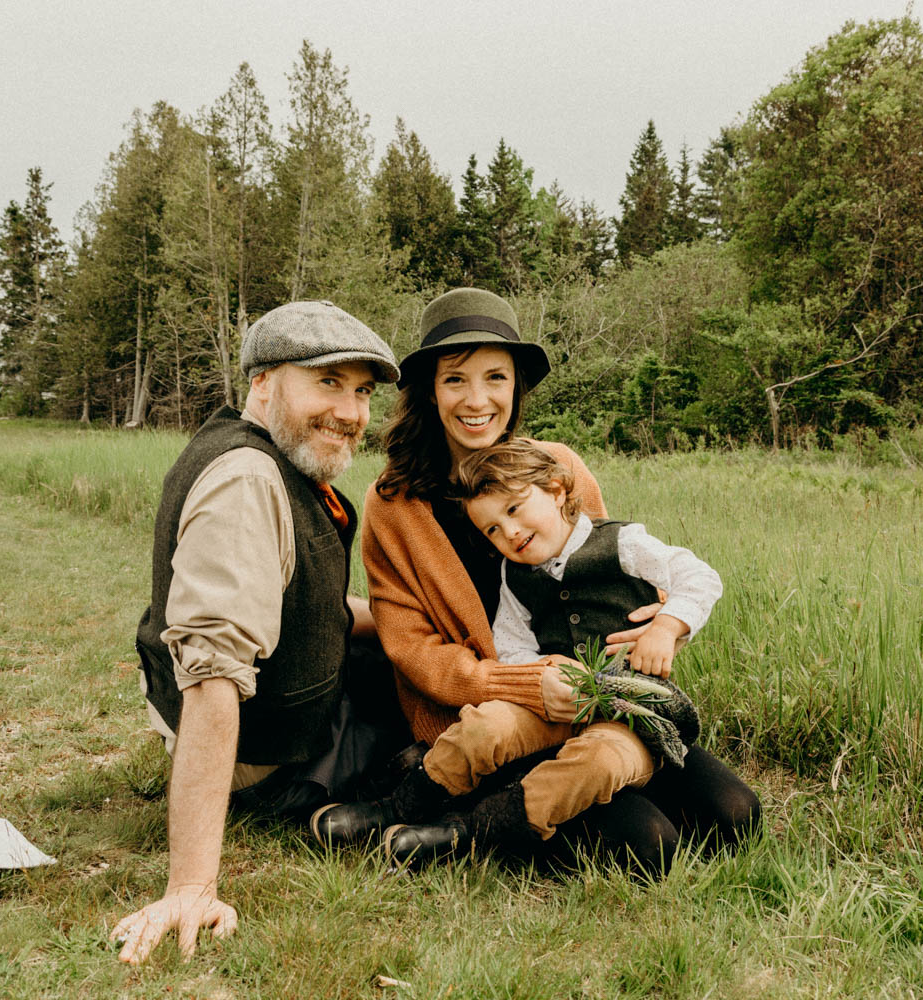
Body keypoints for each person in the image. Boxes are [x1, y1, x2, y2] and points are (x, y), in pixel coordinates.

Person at [340, 287, 760, 873]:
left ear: (516, 386)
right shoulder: (395, 503)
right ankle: (456, 821)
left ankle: (547, 792)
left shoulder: (555, 467)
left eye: (496, 377)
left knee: (734, 815)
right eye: (455, 379)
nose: (477, 399)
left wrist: (666, 622)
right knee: (649, 844)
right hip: (493, 715)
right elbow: (409, 648)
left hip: (598, 698)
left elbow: (612, 572)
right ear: (430, 390)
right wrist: (517, 683)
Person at [113, 300, 406, 965]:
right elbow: (215, 678)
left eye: (360, 392)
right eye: (326, 382)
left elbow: (307, 604)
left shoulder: (264, 455)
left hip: (266, 706)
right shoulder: (249, 482)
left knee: (415, 654)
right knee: (443, 726)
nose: (351, 412)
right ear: (263, 382)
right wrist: (191, 885)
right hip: (269, 754)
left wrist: (405, 624)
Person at [314, 438, 721, 861]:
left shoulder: (622, 543)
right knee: (485, 725)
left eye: (514, 510)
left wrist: (667, 627)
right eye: (492, 529)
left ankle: (474, 829)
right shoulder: (517, 576)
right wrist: (541, 673)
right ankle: (401, 805)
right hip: (556, 704)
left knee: (598, 763)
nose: (509, 532)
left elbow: (698, 577)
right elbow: (510, 646)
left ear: (559, 489)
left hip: (630, 715)